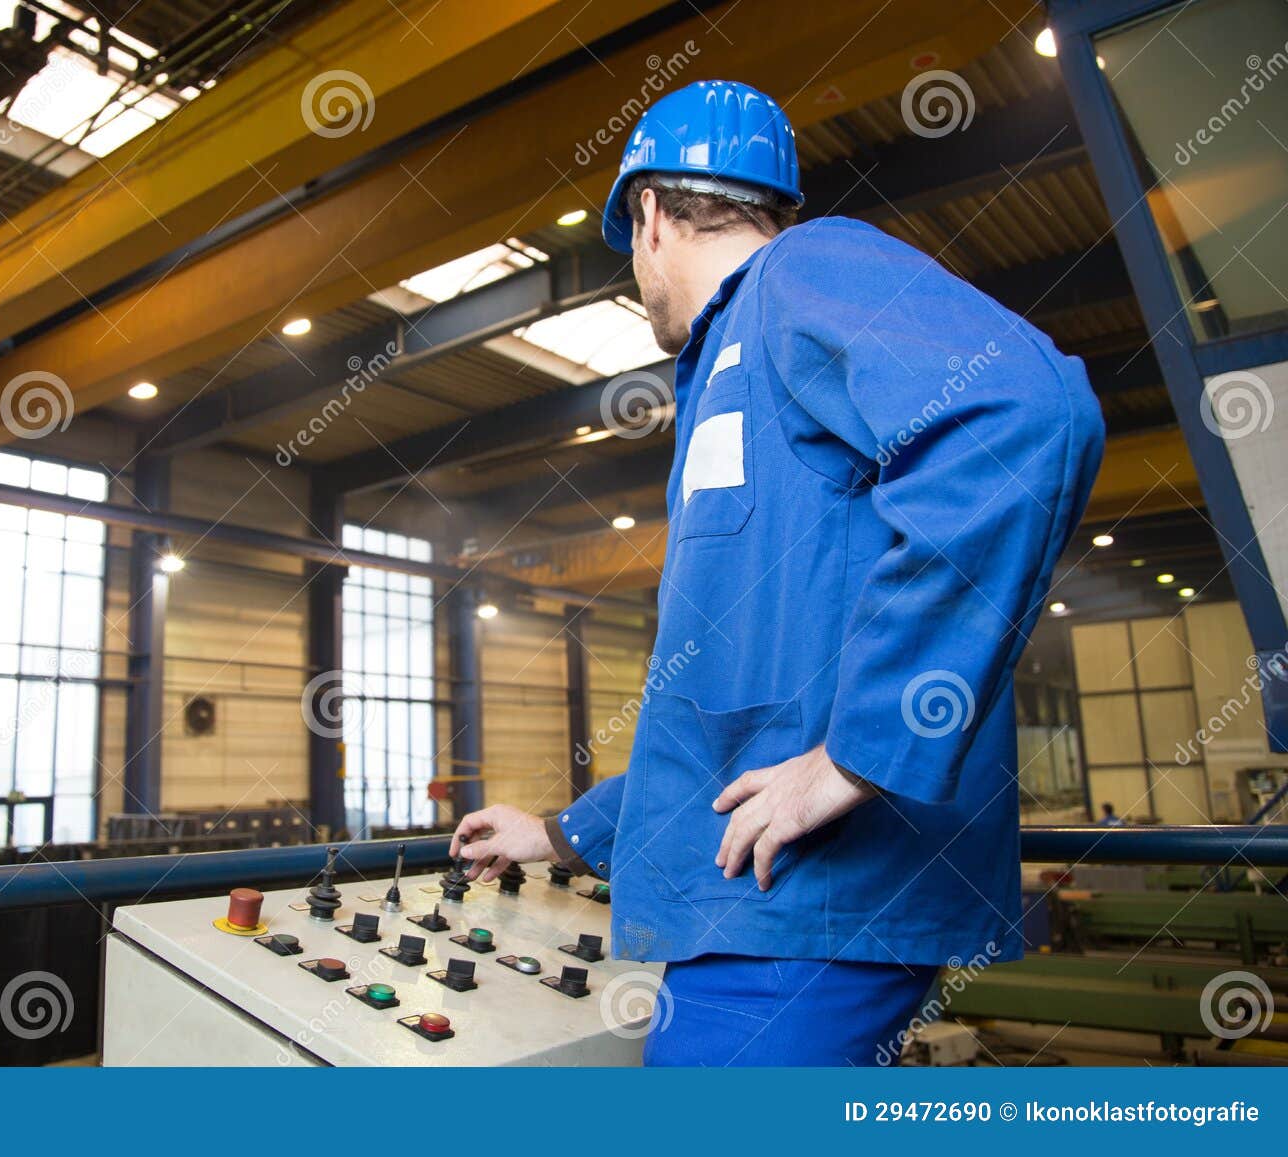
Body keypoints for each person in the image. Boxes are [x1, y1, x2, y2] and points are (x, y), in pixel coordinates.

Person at [449, 80, 1104, 1066]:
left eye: (631, 241)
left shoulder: (799, 274)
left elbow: (1021, 412)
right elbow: (742, 707)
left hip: (803, 911)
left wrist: (861, 751)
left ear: (651, 217)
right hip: (758, 905)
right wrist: (561, 831)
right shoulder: (737, 366)